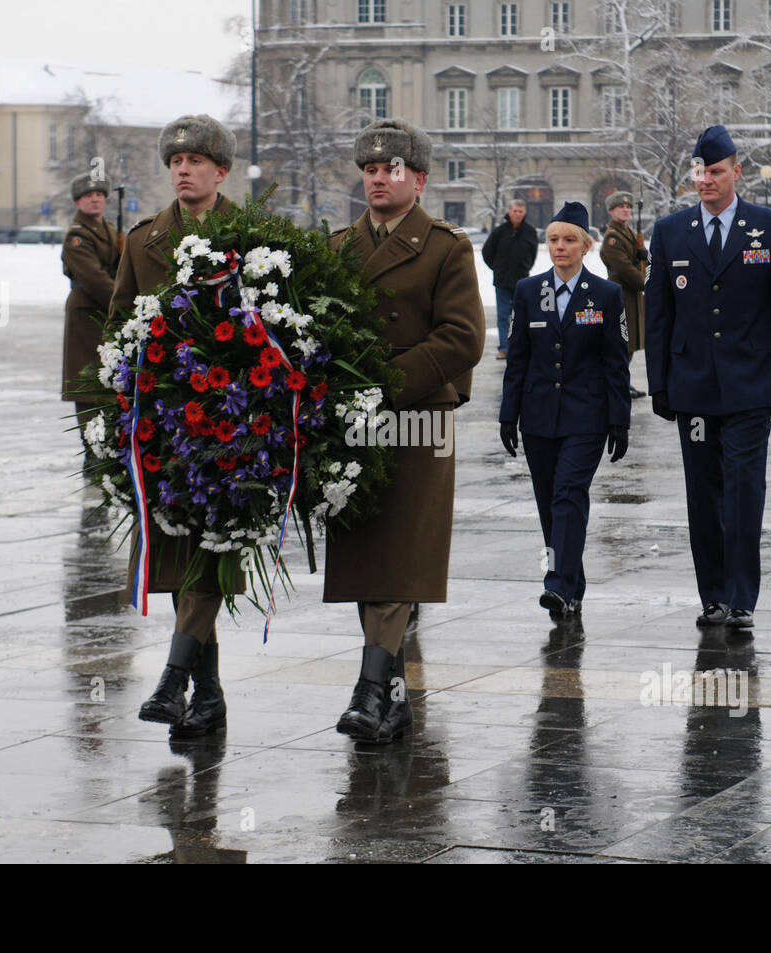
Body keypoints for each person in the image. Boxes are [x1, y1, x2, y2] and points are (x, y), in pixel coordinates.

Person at [326, 117, 485, 744]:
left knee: (398, 561)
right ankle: (392, 697)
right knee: (368, 559)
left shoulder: (447, 247)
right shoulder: (341, 246)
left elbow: (463, 338)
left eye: (391, 170)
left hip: (418, 420)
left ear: (419, 180)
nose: (378, 180)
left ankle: (369, 693)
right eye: (369, 170)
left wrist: (382, 384)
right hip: (353, 427)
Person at [108, 114, 242, 740]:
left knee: (213, 551)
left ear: (222, 170)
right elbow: (117, 331)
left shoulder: (251, 236)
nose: (182, 169)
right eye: (174, 160)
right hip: (163, 428)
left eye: (195, 159)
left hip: (235, 429)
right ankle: (207, 694)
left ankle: (172, 679)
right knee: (174, 557)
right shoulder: (143, 242)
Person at [644, 124, 771, 631]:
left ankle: (740, 598)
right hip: (692, 387)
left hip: (749, 386)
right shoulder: (671, 232)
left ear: (737, 172)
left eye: (716, 172)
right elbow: (658, 312)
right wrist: (659, 382)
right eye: (700, 172)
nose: (706, 180)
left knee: (743, 490)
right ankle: (712, 595)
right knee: (703, 494)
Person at [499, 201, 631, 623]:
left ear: (585, 246)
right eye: (554, 239)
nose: (559, 247)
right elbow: (516, 359)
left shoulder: (607, 295)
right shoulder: (527, 291)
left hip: (586, 416)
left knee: (568, 493)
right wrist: (508, 414)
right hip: (538, 416)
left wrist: (620, 419)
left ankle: (556, 583)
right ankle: (570, 588)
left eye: (568, 240)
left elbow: (616, 362)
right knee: (547, 504)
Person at [61, 172, 120, 460]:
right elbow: (95, 279)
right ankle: (93, 451)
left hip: (104, 315)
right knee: (87, 384)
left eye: (99, 195)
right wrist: (123, 300)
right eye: (88, 196)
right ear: (78, 202)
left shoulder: (108, 229)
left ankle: (105, 449)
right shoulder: (77, 236)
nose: (95, 199)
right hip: (86, 317)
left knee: (105, 383)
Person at [599, 190, 647, 397]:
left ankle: (623, 381)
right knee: (621, 343)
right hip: (621, 295)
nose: (626, 209)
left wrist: (641, 253)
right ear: (611, 211)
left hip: (631, 295)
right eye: (621, 207)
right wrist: (644, 282)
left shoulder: (626, 232)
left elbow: (635, 259)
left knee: (629, 345)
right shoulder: (612, 237)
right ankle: (616, 384)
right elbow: (623, 268)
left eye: (628, 207)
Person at [482, 199, 538, 359]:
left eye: (520, 211)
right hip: (502, 281)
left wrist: (525, 267)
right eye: (515, 211)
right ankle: (504, 348)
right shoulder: (500, 231)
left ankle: (520, 348)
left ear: (524, 213)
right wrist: (497, 268)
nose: (518, 214)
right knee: (502, 316)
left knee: (522, 316)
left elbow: (532, 255)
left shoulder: (530, 232)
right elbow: (487, 252)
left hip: (522, 281)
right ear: (509, 212)